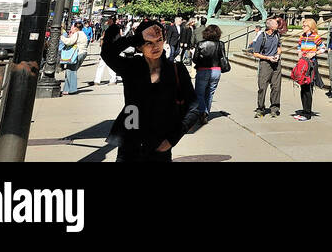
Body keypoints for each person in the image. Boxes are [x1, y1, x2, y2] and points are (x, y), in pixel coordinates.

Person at [100, 19, 198, 162]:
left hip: (159, 144)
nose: (155, 46)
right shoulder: (131, 67)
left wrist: (172, 139)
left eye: (159, 40)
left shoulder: (176, 69)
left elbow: (194, 108)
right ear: (139, 46)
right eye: (149, 43)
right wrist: (136, 38)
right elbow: (107, 53)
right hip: (129, 142)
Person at [190, 23, 227, 124]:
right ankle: (205, 112)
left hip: (203, 70)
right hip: (216, 70)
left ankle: (202, 111)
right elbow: (223, 58)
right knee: (210, 93)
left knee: (199, 93)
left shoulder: (200, 44)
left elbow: (195, 59)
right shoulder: (220, 44)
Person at [248, 16, 283, 118]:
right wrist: (268, 58)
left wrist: (278, 55)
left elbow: (279, 47)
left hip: (276, 63)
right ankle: (260, 109)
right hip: (265, 64)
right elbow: (255, 53)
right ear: (271, 26)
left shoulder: (277, 35)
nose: (278, 25)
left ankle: (275, 108)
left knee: (276, 87)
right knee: (262, 87)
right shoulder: (262, 37)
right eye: (276, 24)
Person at [59, 21, 88, 95]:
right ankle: (67, 89)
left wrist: (61, 37)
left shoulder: (77, 34)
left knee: (70, 71)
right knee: (72, 70)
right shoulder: (83, 34)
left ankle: (72, 89)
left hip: (76, 54)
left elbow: (69, 42)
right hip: (83, 53)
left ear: (75, 27)